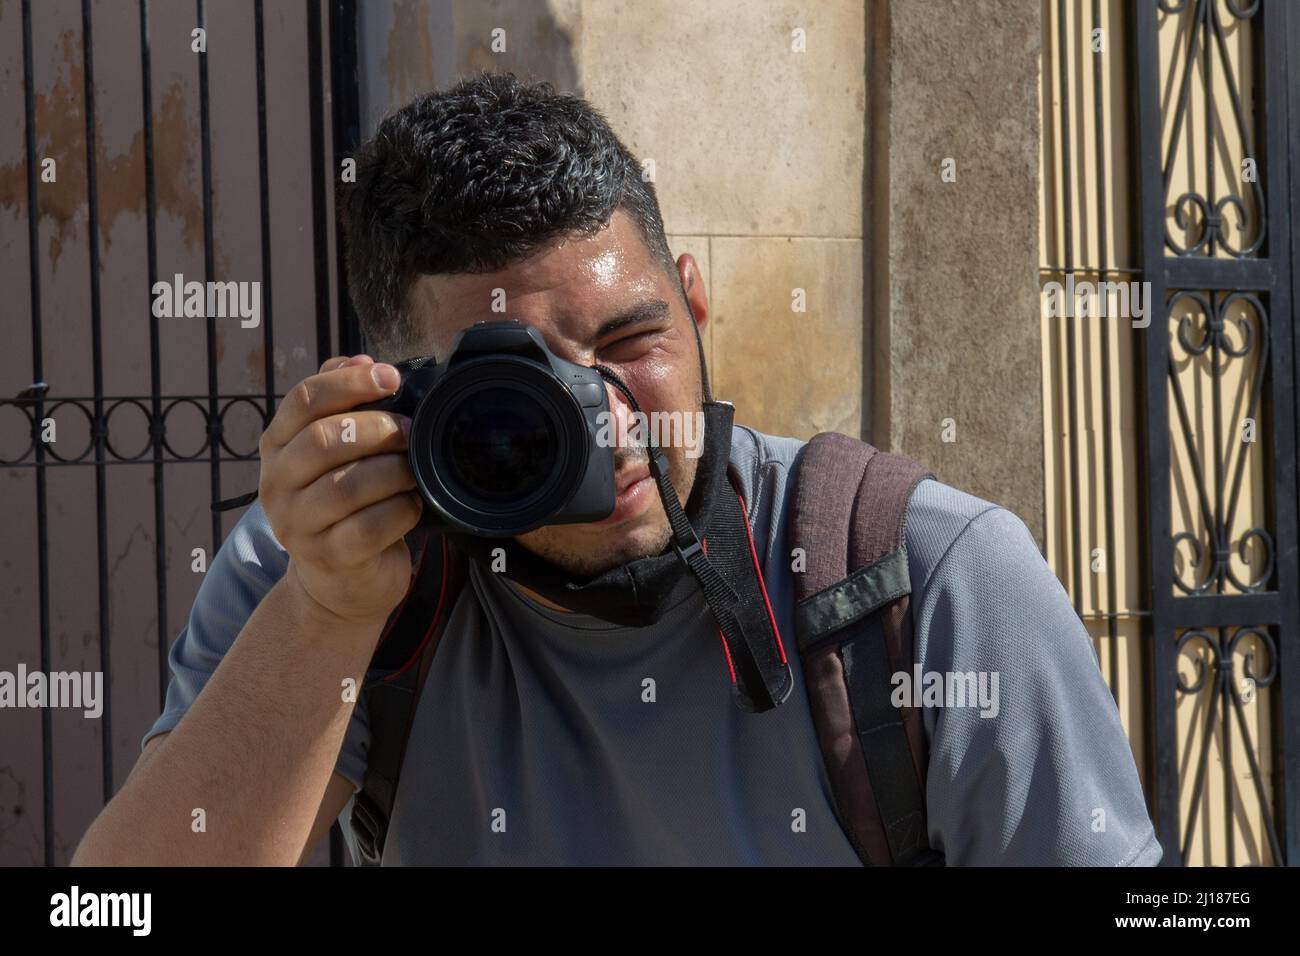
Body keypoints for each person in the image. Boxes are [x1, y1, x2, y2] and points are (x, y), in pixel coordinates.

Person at [72, 72, 1161, 867]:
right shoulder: (335, 567)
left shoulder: (918, 573)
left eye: (630, 342)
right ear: (405, 398)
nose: (605, 420)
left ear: (694, 299)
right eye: (524, 390)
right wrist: (321, 615)